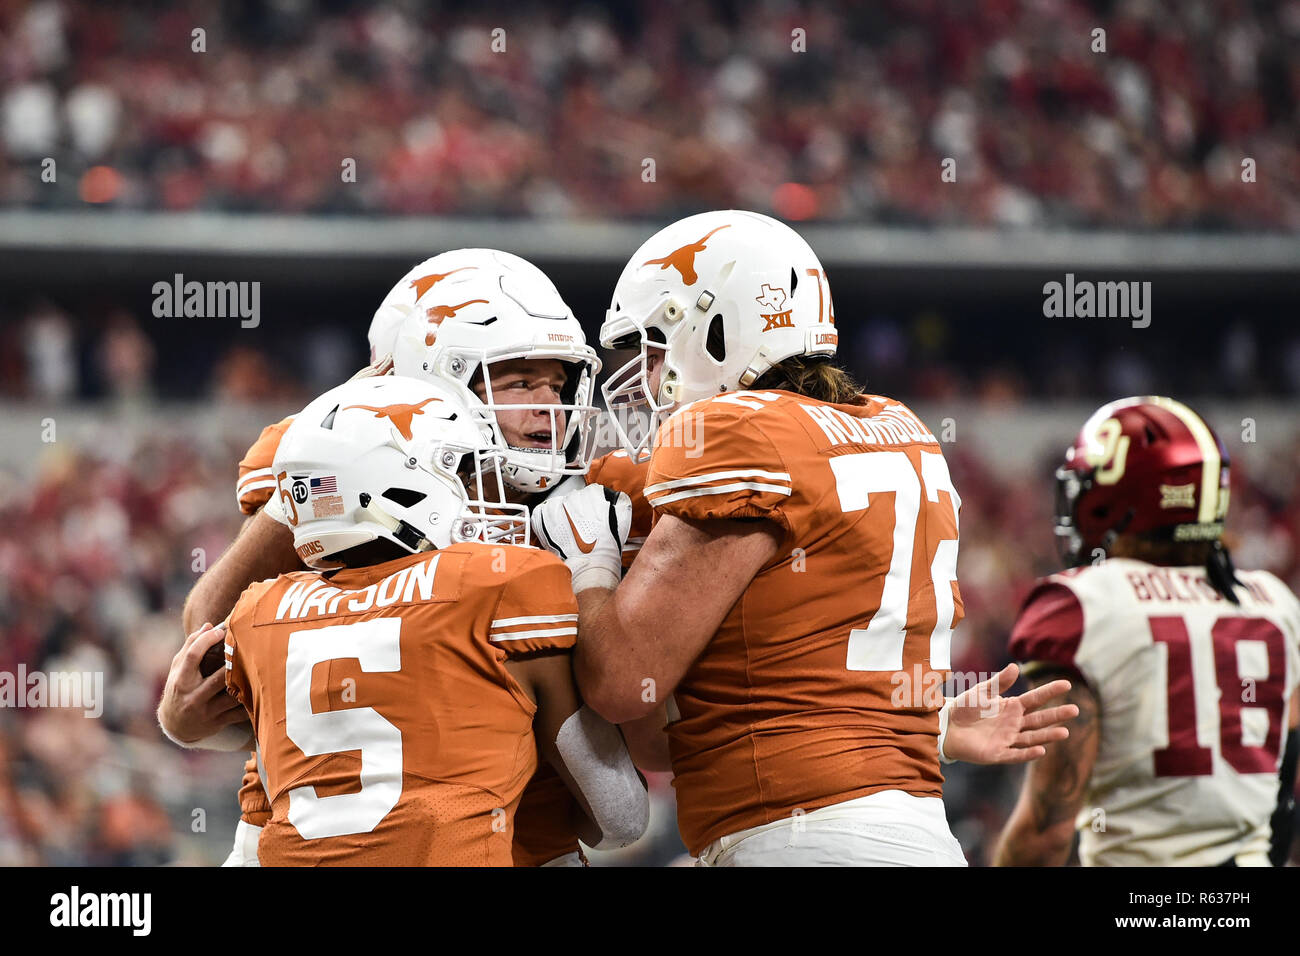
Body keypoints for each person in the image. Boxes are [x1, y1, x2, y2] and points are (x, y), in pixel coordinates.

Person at [531, 209, 1077, 865]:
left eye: (654, 347)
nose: (646, 377)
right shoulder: (902, 431)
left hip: (797, 842)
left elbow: (621, 681)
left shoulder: (740, 434)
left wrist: (589, 563)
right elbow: (665, 738)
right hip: (917, 835)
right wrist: (926, 729)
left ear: (718, 327)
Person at [160, 249, 650, 866]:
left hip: (521, 834)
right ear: (427, 377)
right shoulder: (335, 462)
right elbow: (218, 657)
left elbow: (633, 688)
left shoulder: (589, 492)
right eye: (519, 380)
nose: (550, 408)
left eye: (558, 382)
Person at [993, 396, 1300, 866]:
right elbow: (1281, 801)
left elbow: (1045, 833)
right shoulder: (1274, 602)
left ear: (1115, 498)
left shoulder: (1084, 605)